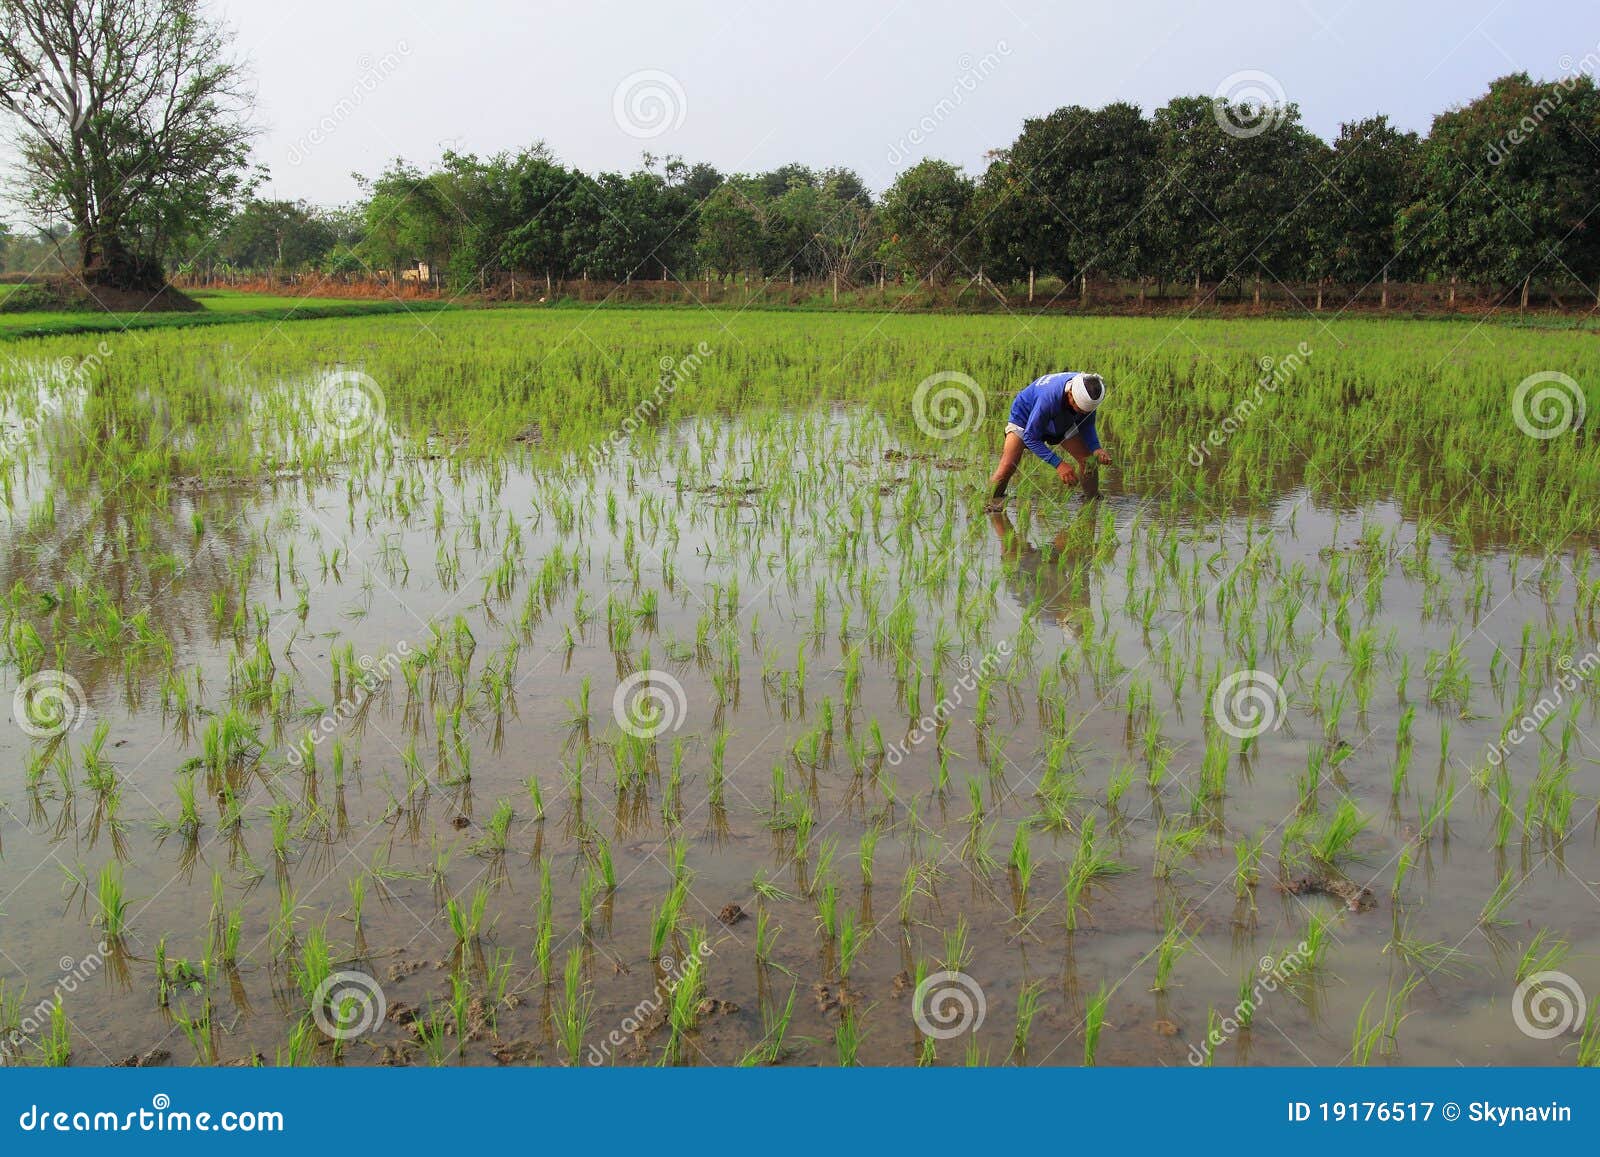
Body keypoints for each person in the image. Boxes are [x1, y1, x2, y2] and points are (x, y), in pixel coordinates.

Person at [987, 370, 1111, 504]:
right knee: (1007, 466)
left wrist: (1096, 448)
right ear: (1070, 394)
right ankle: (989, 502)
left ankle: (1092, 502)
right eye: (1079, 409)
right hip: (1024, 418)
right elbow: (1030, 437)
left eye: (1085, 411)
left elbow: (1086, 424)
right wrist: (1059, 464)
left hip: (1063, 419)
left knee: (1089, 461)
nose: (1081, 413)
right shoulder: (1049, 398)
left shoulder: (1089, 393)